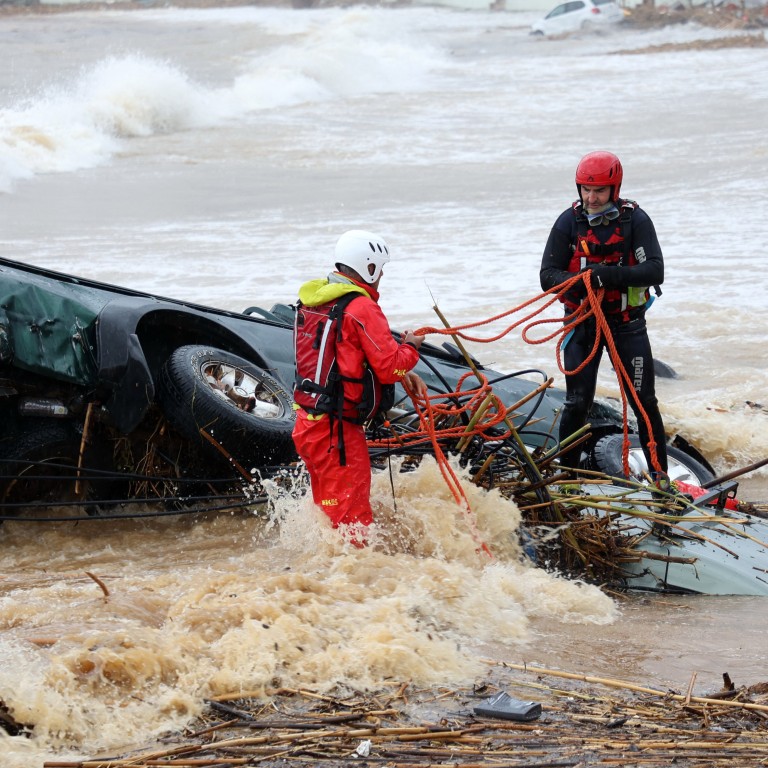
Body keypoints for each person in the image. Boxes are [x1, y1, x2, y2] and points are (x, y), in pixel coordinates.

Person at [539, 151, 668, 481]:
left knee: (644, 403)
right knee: (576, 402)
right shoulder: (568, 222)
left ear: (615, 188)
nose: (591, 198)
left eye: (599, 191)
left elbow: (655, 269)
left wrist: (607, 276)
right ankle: (567, 478)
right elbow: (547, 275)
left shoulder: (635, 221)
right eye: (585, 190)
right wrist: (582, 282)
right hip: (582, 324)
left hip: (627, 327)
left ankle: (660, 478)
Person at [292, 229, 427, 542]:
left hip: (309, 426)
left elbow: (343, 355)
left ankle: (325, 579)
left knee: (329, 512)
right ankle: (356, 583)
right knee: (355, 526)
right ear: (369, 268)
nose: (380, 278)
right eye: (379, 270)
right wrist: (411, 348)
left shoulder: (314, 300)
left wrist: (405, 372)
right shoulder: (362, 307)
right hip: (337, 435)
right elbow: (391, 365)